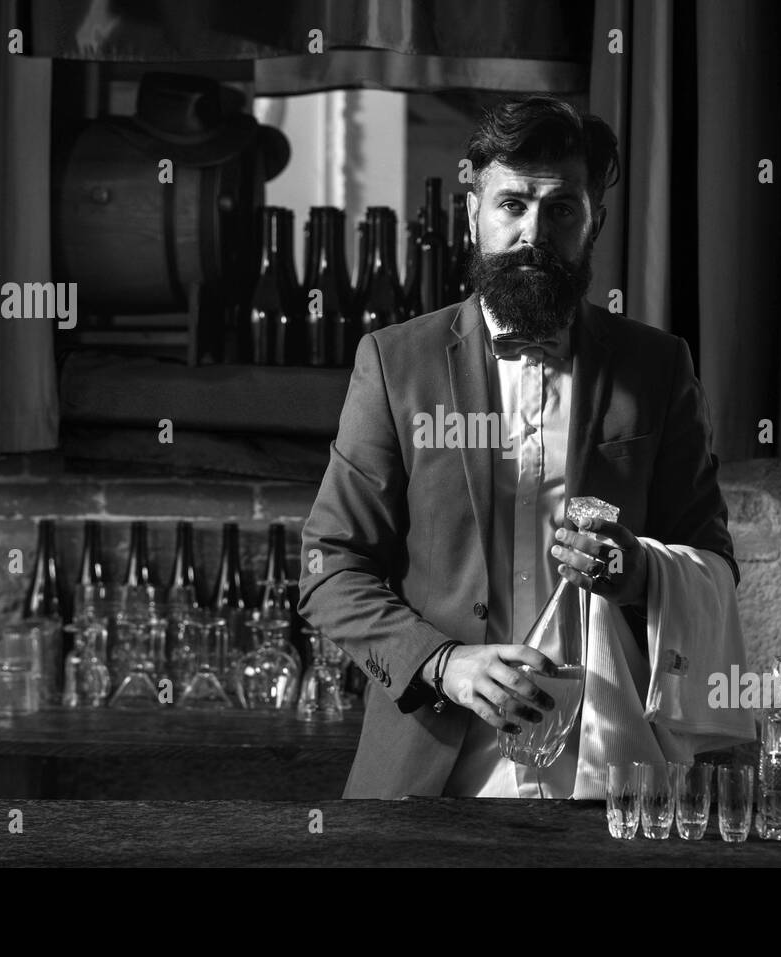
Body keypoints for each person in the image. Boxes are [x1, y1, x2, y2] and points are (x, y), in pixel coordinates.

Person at [299, 94, 753, 800]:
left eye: (561, 210)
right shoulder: (395, 363)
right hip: (434, 781)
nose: (532, 234)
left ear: (593, 221)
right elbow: (329, 568)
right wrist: (444, 662)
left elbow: (712, 563)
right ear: (472, 204)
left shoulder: (657, 367)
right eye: (512, 203)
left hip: (612, 780)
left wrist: (640, 573)